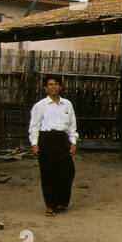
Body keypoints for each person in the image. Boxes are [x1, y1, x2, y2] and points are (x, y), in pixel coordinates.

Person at [28, 74, 78, 216]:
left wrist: (73, 141)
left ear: (60, 87)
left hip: (62, 139)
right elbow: (34, 126)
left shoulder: (67, 104)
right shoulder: (40, 106)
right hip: (46, 139)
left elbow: (72, 125)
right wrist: (34, 143)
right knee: (48, 173)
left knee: (68, 171)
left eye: (56, 84)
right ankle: (50, 205)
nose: (53, 87)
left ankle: (61, 201)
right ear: (45, 88)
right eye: (50, 84)